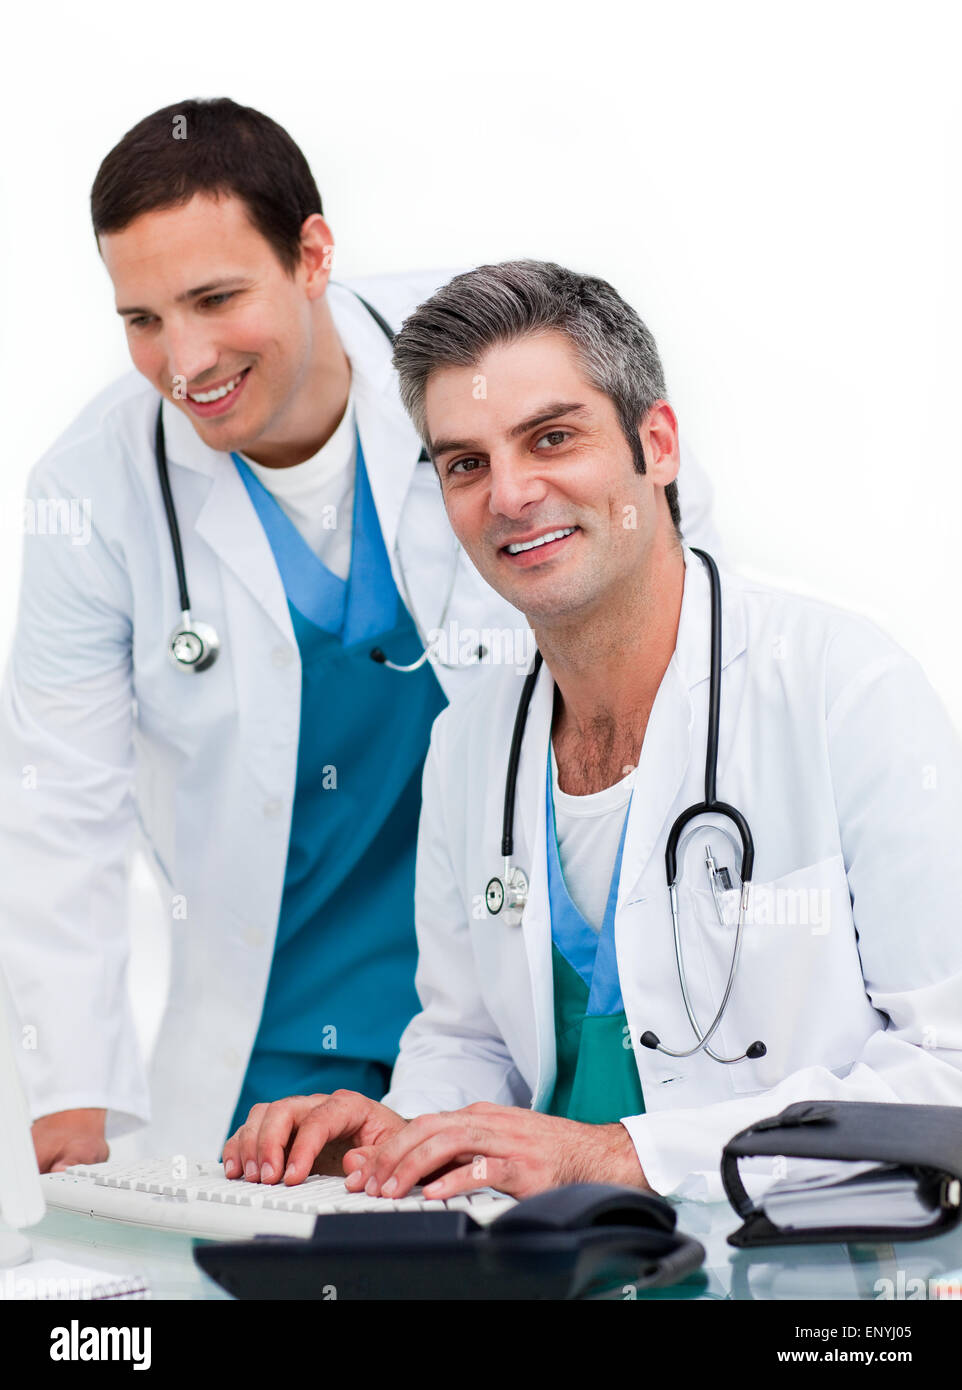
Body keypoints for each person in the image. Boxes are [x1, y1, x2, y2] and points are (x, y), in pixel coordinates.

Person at [0, 108, 721, 1170]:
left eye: (215, 298)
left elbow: (663, 585)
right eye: (142, 317)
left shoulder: (491, 372)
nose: (184, 359)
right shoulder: (94, 492)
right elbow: (61, 811)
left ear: (312, 255)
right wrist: (70, 1108)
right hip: (280, 1054)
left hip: (539, 1018)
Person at [223, 260, 962, 1204]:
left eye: (553, 438)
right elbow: (468, 1039)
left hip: (813, 1278)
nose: (511, 494)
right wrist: (406, 1136)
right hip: (564, 1266)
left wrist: (619, 1155)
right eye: (465, 464)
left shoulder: (844, 690)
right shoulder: (471, 746)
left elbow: (947, 1073)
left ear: (656, 443)